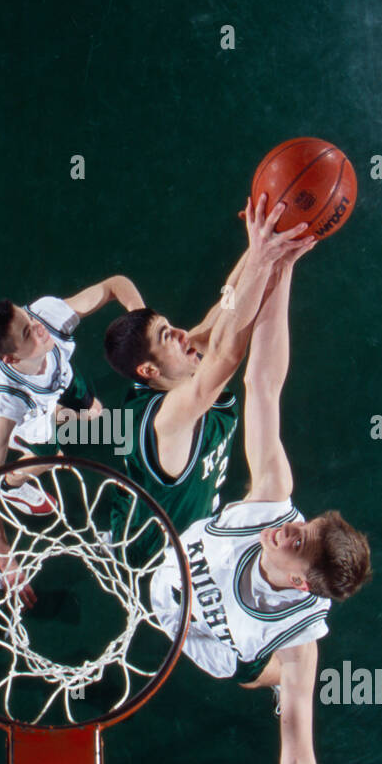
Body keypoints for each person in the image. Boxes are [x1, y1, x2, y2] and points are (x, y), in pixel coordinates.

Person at [148, 239, 371, 764]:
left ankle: (268, 678)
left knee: (254, 671)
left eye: (299, 543)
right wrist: (280, 268)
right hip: (179, 554)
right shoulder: (274, 503)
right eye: (310, 525)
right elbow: (263, 384)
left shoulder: (296, 637)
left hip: (210, 643)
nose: (294, 528)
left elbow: (298, 747)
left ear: (299, 581)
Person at [103, 197, 316, 548]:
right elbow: (225, 354)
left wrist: (262, 244)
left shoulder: (172, 366)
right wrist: (265, 260)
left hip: (175, 510)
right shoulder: (168, 418)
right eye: (166, 336)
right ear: (149, 369)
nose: (182, 334)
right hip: (155, 556)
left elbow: (226, 305)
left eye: (169, 326)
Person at [0, 277, 143, 587]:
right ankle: (15, 483)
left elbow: (115, 285)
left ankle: (64, 415)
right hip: (32, 417)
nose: (37, 327)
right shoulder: (7, 401)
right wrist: (3, 554)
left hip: (60, 378)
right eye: (27, 332)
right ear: (11, 358)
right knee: (55, 456)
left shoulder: (47, 316)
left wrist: (140, 319)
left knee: (95, 414)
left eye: (27, 318)